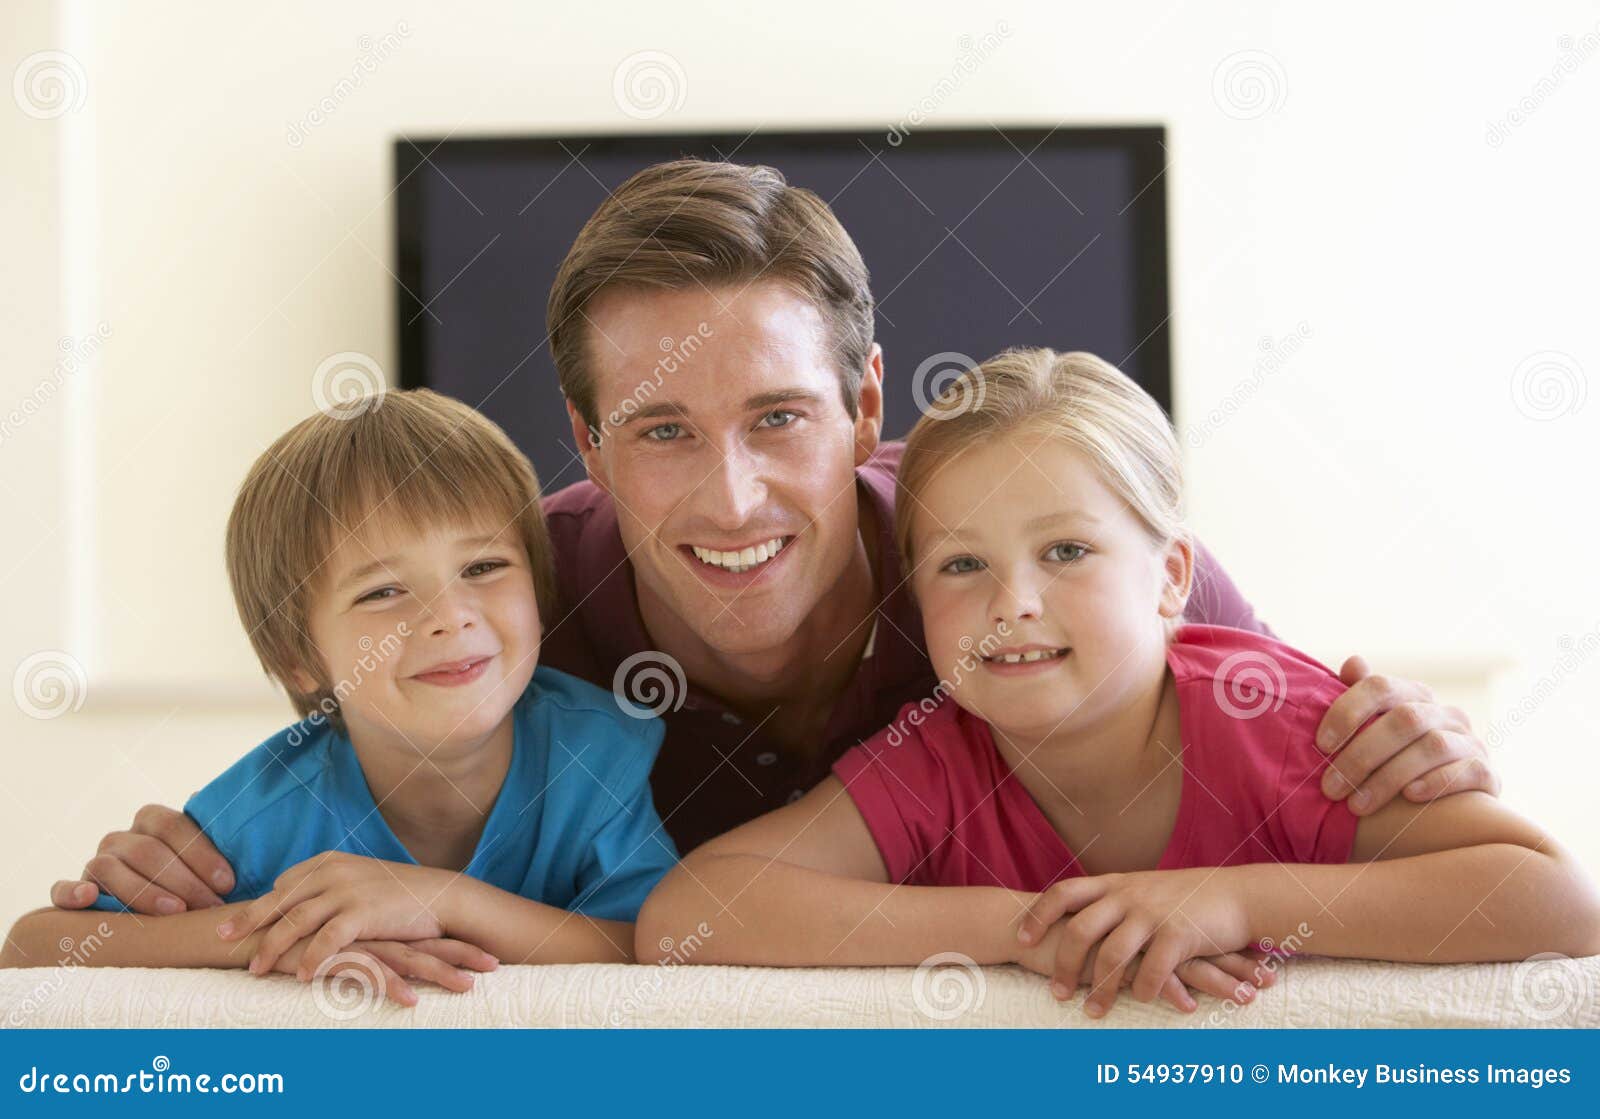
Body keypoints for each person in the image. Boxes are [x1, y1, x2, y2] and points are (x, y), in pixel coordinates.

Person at [52, 160, 1495, 935]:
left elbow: (1301, 771)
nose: (732, 496)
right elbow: (364, 772)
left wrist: (1406, 738)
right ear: (586, 436)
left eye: (783, 415)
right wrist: (190, 872)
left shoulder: (1050, 569)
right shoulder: (515, 589)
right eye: (664, 428)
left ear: (870, 403)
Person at [634, 348, 1600, 1015]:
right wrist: (1022, 928)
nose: (1013, 602)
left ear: (1173, 576)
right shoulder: (937, 755)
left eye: (1066, 550)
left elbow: (1558, 900)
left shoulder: (1269, 720)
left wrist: (1234, 903)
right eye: (962, 566)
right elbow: (693, 912)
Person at [1, 390, 678, 1002]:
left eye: (483, 566)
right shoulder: (270, 808)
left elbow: (660, 947)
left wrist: (447, 901)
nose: (450, 615)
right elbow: (32, 948)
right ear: (300, 658)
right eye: (383, 591)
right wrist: (269, 932)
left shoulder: (596, 750)